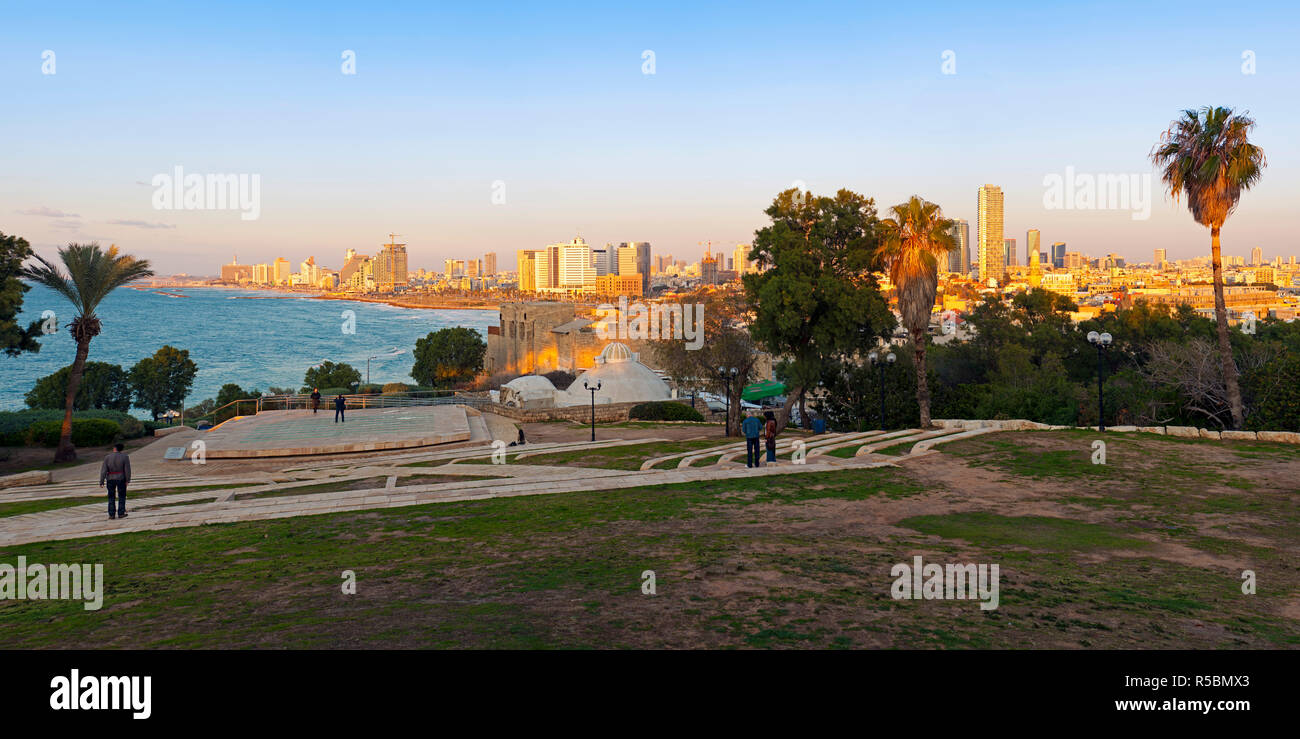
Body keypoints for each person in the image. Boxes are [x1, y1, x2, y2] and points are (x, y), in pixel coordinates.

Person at [99, 443, 132, 520]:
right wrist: (128, 480)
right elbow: (127, 469)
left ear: (114, 448)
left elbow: (104, 470)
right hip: (121, 478)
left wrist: (101, 481)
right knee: (122, 496)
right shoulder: (125, 457)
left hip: (110, 479)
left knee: (111, 497)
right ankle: (121, 513)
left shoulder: (107, 457)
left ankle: (111, 514)